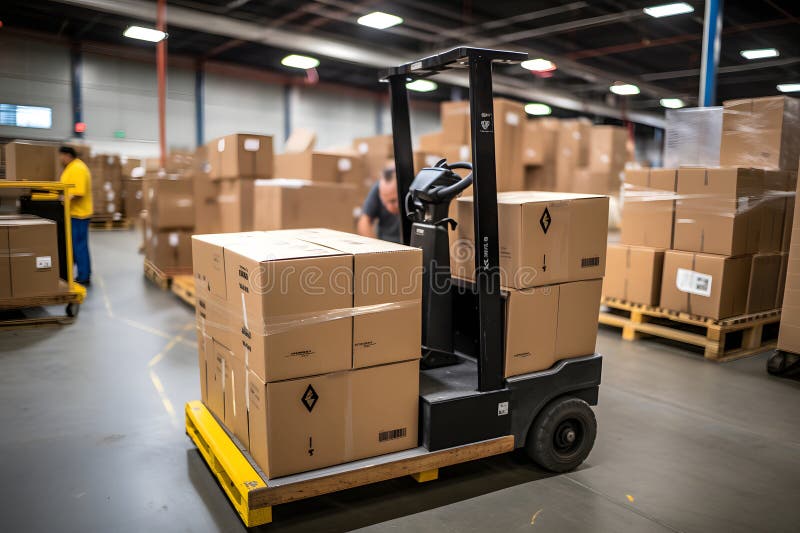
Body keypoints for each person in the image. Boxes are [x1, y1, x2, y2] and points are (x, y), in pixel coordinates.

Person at [58, 146, 93, 285]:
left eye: (61, 156)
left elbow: (79, 192)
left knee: (79, 246)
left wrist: (64, 199)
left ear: (67, 155)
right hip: (74, 214)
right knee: (76, 246)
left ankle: (84, 276)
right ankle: (80, 274)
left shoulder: (77, 168)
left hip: (79, 215)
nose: (60, 159)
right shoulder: (72, 167)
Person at [357, 163, 401, 243]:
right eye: (384, 202)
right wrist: (376, 247)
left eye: (393, 201)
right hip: (385, 243)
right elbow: (364, 222)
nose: (389, 208)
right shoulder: (377, 188)